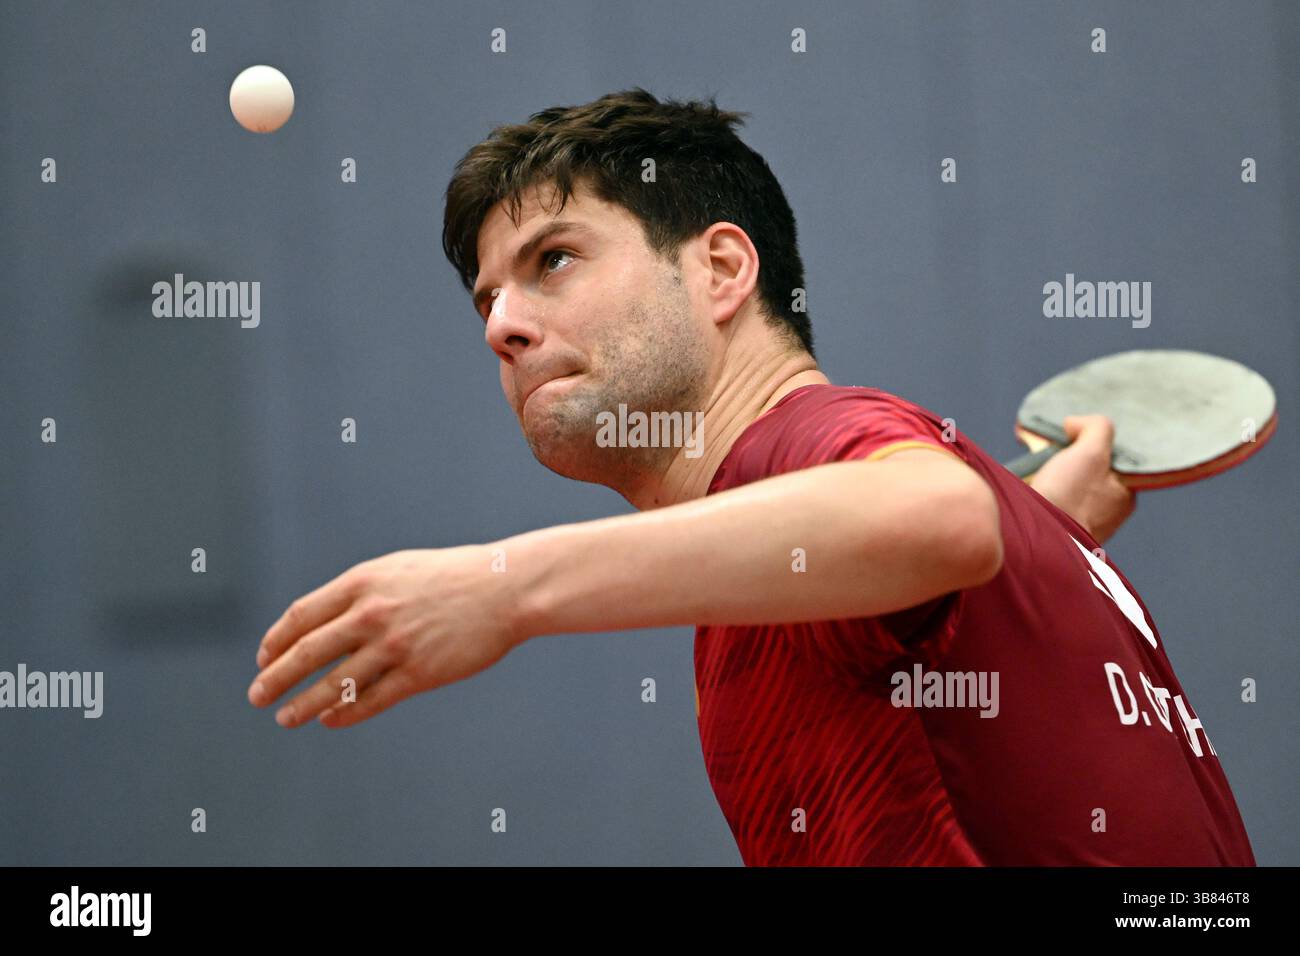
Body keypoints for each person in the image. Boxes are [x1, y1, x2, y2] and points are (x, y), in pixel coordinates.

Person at [247, 89, 1255, 866]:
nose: (501, 324)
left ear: (723, 270)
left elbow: (936, 515)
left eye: (552, 258)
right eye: (487, 299)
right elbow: (947, 552)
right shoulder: (866, 540)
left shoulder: (810, 439)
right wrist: (1042, 521)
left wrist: (503, 589)